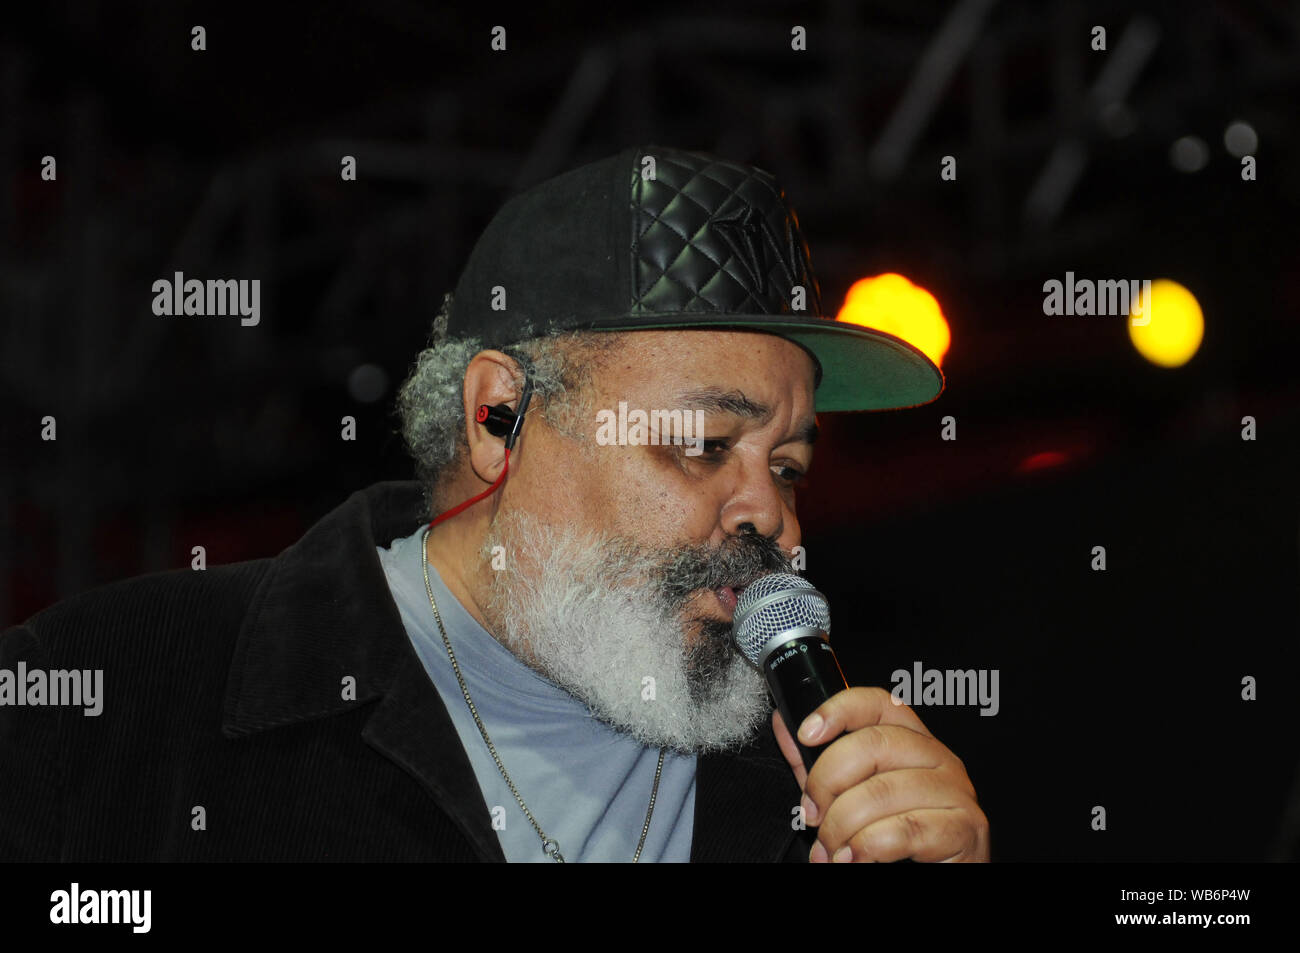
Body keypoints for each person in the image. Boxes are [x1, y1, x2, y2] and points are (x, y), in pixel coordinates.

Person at [0, 145, 988, 863]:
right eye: (702, 443)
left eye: (786, 466)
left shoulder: (803, 810)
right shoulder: (114, 699)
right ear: (497, 416)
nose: (768, 516)